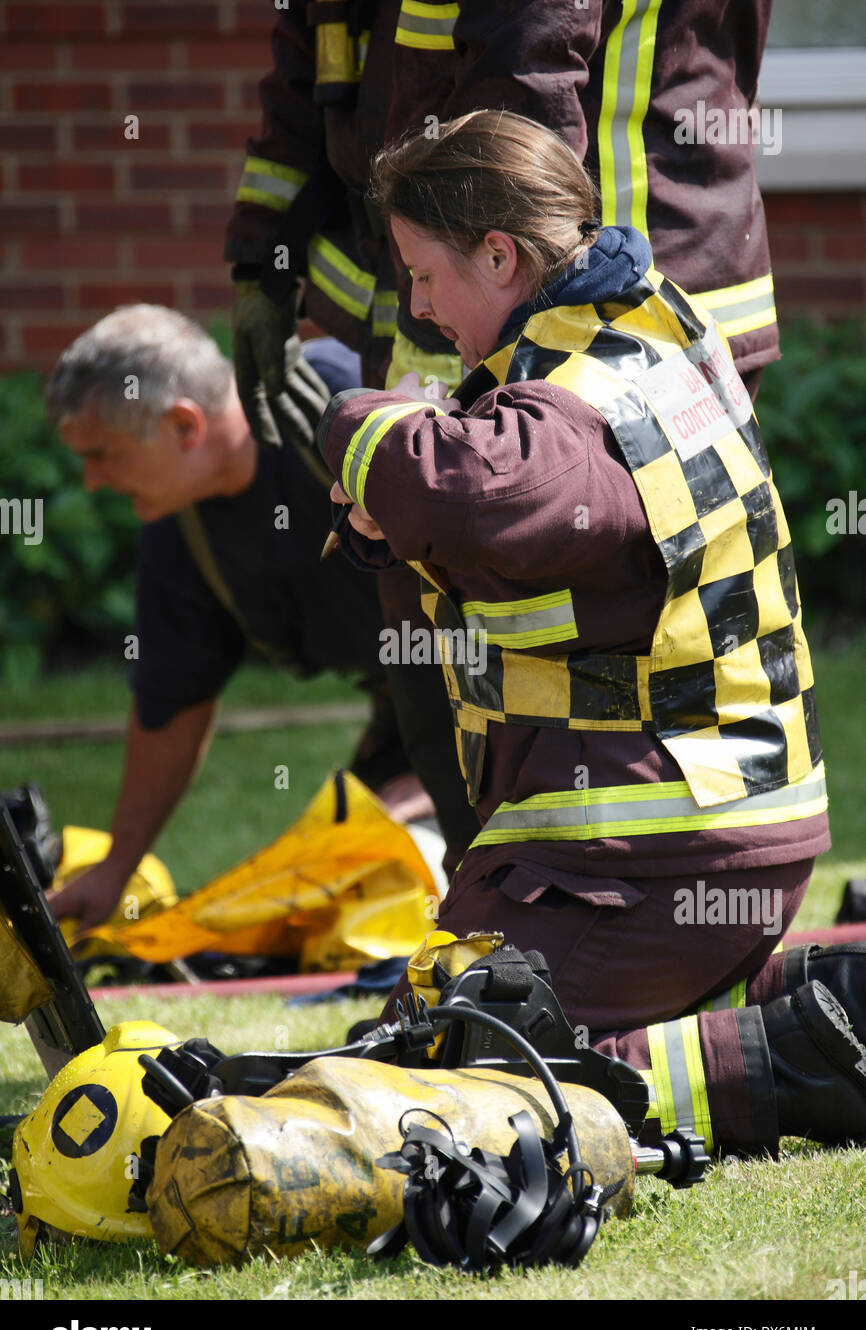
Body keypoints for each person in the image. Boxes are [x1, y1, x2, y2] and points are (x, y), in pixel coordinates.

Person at [315, 110, 866, 1157]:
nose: (418, 308)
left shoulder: (570, 403)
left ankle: (789, 1066)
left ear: (499, 253)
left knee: (448, 1075)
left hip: (649, 857)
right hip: (706, 846)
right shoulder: (641, 338)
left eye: (424, 274)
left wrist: (355, 421)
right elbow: (556, 560)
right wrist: (400, 528)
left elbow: (482, 492)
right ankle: (815, 999)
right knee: (409, 1040)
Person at [224, 0, 780, 873]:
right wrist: (264, 254)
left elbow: (522, 90)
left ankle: (598, 910)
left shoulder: (505, 264)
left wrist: (471, 356)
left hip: (595, 316)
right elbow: (322, 56)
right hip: (539, 298)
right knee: (466, 631)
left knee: (584, 635)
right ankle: (520, 921)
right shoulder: (456, 279)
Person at [43, 305, 432, 933]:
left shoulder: (353, 412)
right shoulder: (179, 526)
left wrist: (446, 776)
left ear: (183, 424)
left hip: (519, 720)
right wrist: (117, 868)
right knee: (335, 902)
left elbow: (513, 582)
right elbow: (172, 705)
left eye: (102, 455)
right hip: (410, 719)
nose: (90, 482)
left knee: (445, 888)